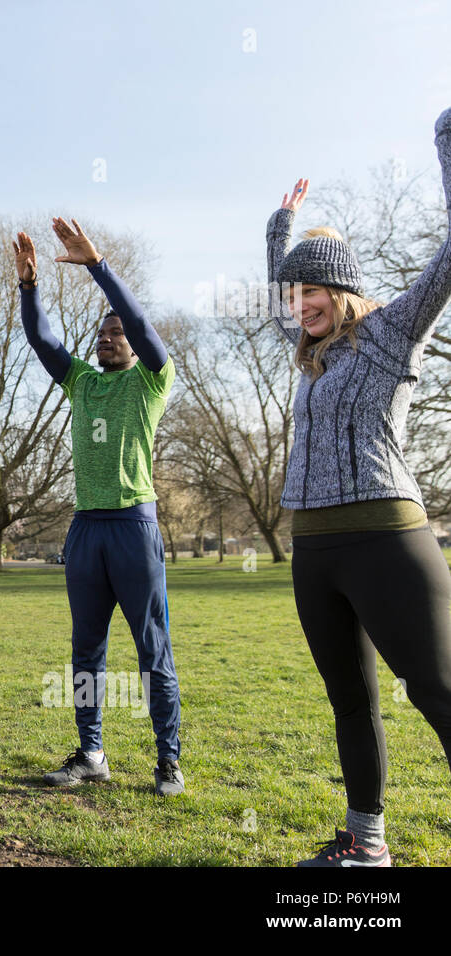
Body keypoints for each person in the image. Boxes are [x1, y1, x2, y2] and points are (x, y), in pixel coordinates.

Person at [268, 108, 451, 868]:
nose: (299, 307)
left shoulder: (391, 331)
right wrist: (281, 225)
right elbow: (278, 281)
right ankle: (367, 845)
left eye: (312, 293)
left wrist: (446, 141)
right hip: (314, 552)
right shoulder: (307, 353)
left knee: (437, 694)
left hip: (386, 541)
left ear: (340, 290)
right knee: (352, 701)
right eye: (291, 296)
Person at [14, 218, 183, 797]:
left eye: (116, 332)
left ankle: (168, 761)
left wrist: (96, 266)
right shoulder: (80, 381)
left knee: (151, 648)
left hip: (134, 525)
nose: (107, 337)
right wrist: (29, 286)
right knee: (86, 650)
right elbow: (42, 340)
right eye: (102, 333)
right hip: (85, 529)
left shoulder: (154, 382)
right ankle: (91, 753)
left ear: (134, 343)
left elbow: (136, 319)